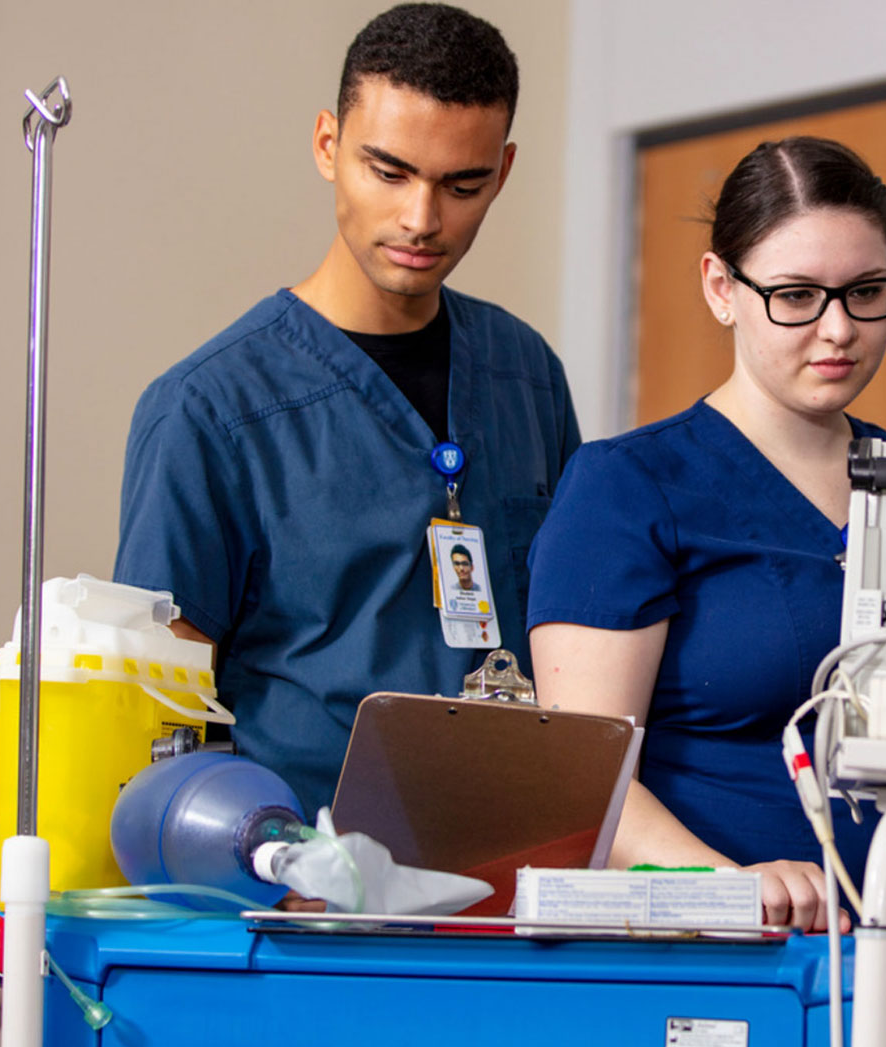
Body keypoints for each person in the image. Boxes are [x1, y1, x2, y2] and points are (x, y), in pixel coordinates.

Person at [524, 137, 886, 932]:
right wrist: (731, 888)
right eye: (795, 296)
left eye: (866, 291)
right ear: (721, 288)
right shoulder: (626, 488)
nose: (837, 329)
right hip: (738, 959)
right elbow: (581, 778)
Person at [115, 4, 579, 818]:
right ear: (328, 145)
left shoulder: (525, 375)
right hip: (305, 880)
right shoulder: (208, 410)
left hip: (511, 861)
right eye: (389, 172)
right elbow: (164, 721)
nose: (421, 219)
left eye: (461, 184)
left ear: (502, 172)